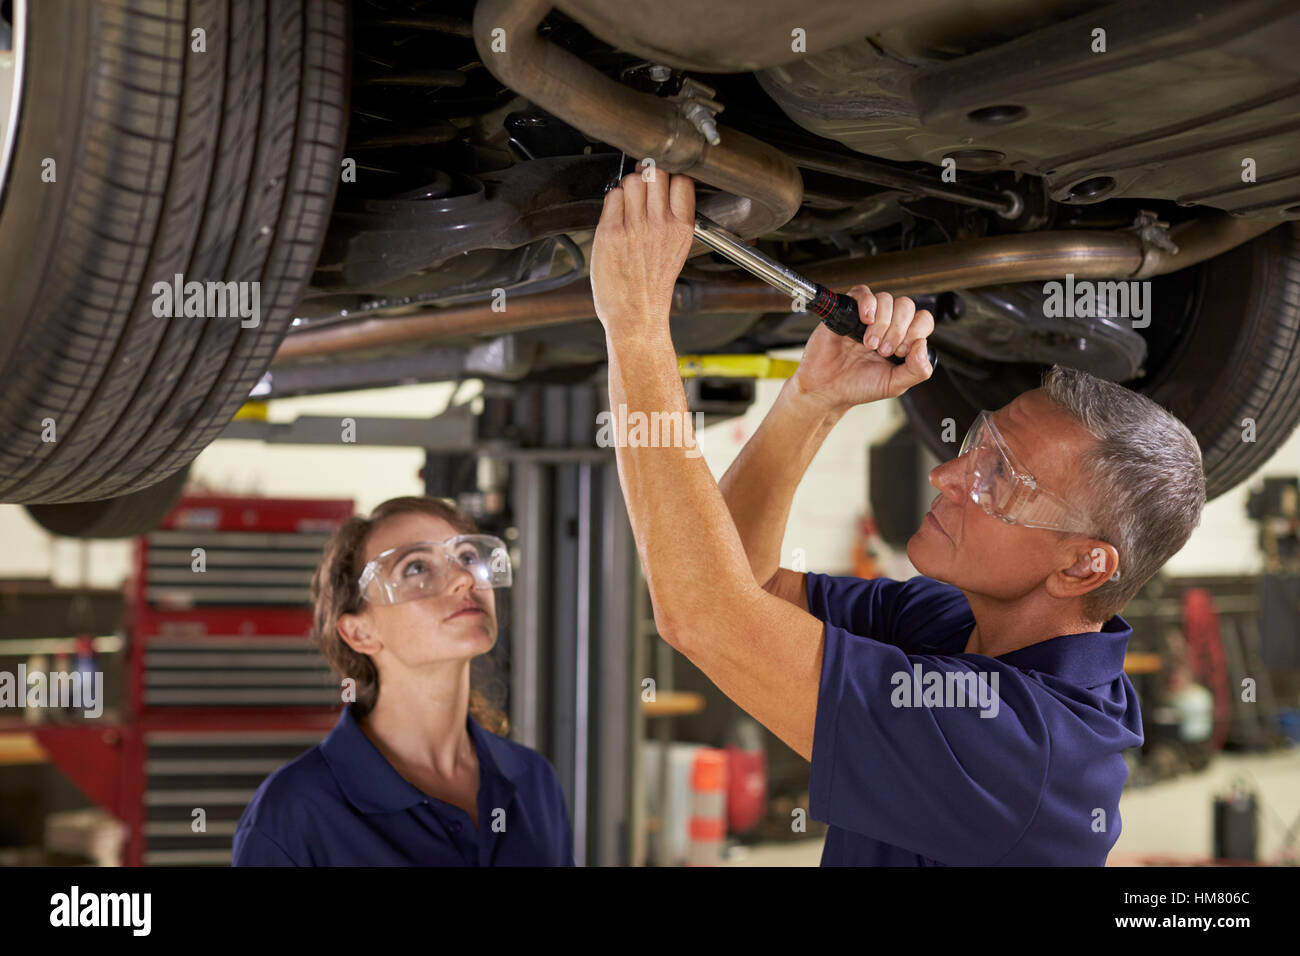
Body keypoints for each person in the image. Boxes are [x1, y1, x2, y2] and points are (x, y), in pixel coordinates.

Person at [589, 170, 1205, 865]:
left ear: (1082, 566)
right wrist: (811, 400)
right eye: (978, 446)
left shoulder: (1024, 752)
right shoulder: (955, 627)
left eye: (1002, 476)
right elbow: (741, 584)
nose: (945, 476)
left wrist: (637, 328)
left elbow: (703, 614)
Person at [232, 496, 575, 866]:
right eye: (416, 568)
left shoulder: (533, 781)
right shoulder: (293, 816)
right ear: (360, 633)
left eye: (467, 557)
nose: (464, 578)